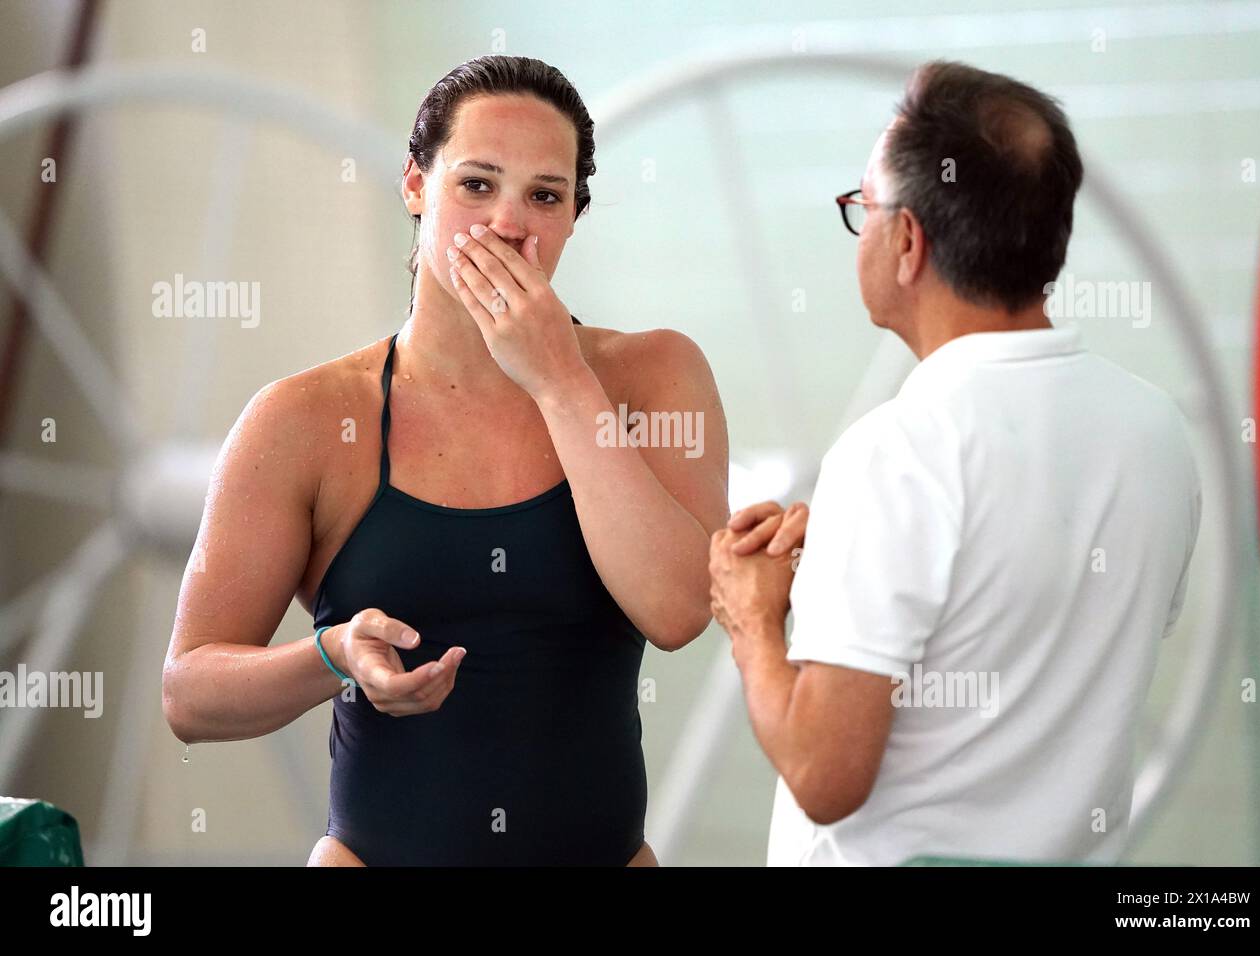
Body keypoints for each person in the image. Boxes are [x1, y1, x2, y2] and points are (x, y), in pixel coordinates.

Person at [162, 55, 729, 866]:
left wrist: (561, 381)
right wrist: (331, 654)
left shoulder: (655, 376)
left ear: (574, 217)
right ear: (415, 187)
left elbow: (677, 611)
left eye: (545, 195)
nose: (508, 223)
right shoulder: (308, 419)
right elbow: (188, 696)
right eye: (476, 184)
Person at [709, 60, 1201, 866]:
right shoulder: (1156, 431)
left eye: (860, 209)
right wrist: (846, 568)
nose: (859, 230)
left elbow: (825, 777)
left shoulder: (894, 450)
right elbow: (1027, 633)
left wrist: (753, 621)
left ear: (907, 241)